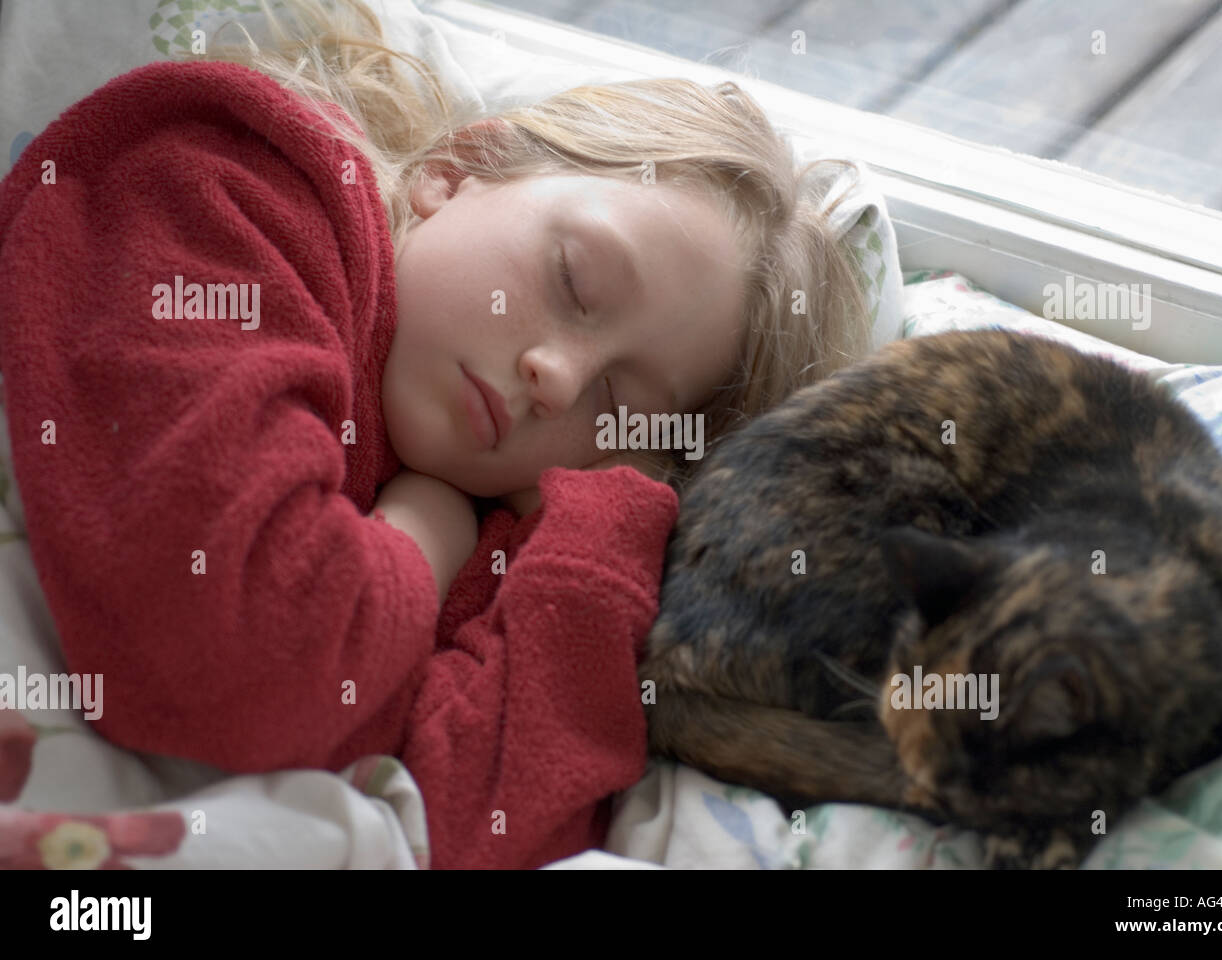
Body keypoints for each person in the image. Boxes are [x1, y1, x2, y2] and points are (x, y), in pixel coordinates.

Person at [0, 0, 877, 868]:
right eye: (574, 281)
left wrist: (606, 528)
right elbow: (244, 653)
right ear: (461, 170)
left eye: (616, 405)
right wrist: (426, 530)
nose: (559, 378)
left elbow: (476, 831)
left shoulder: (492, 524)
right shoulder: (233, 186)